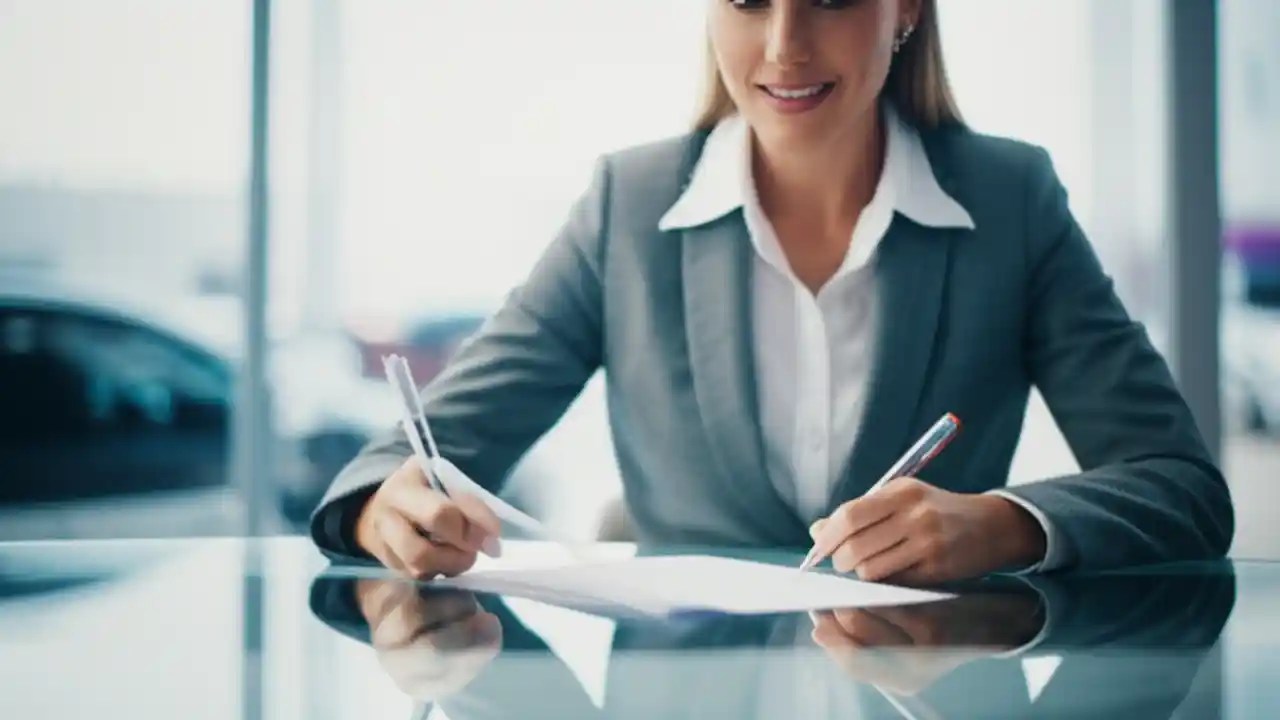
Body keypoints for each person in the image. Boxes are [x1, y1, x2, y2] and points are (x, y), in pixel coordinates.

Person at [311, 0, 1233, 583]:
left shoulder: (1010, 201)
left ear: (906, 8)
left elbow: (1182, 489)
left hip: (926, 690)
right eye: (748, 0)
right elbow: (404, 460)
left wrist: (1003, 528)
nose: (785, 45)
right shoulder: (627, 208)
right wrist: (382, 508)